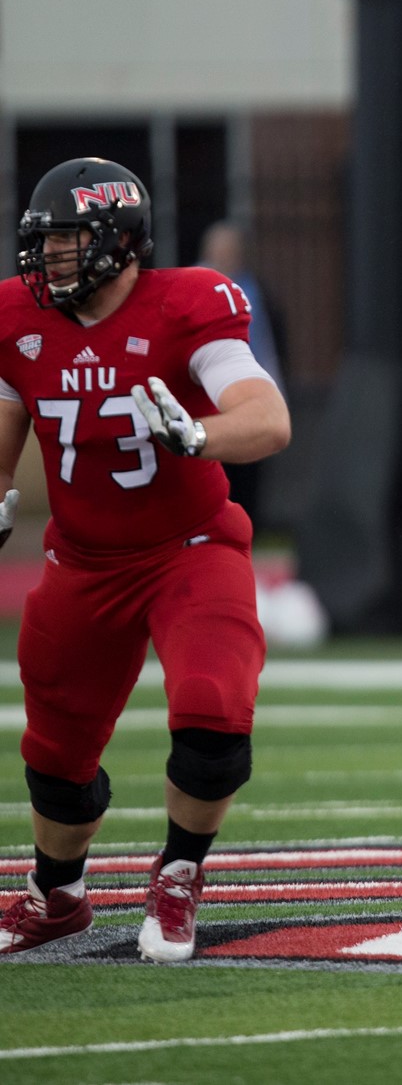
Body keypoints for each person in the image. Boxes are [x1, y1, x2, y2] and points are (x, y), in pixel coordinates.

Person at [0, 158, 291, 961]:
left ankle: (180, 872)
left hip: (188, 547)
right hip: (82, 559)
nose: (48, 258)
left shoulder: (188, 302)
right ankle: (57, 894)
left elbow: (266, 418)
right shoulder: (16, 314)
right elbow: (12, 405)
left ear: (116, 242)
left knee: (213, 711)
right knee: (54, 754)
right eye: (44, 241)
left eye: (65, 241)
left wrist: (197, 436)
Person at [197, 222, 285, 526]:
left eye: (232, 250)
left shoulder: (256, 290)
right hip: (208, 399)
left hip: (250, 389)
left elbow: (274, 343)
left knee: (250, 468)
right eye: (220, 250)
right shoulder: (192, 290)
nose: (226, 256)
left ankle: (247, 529)